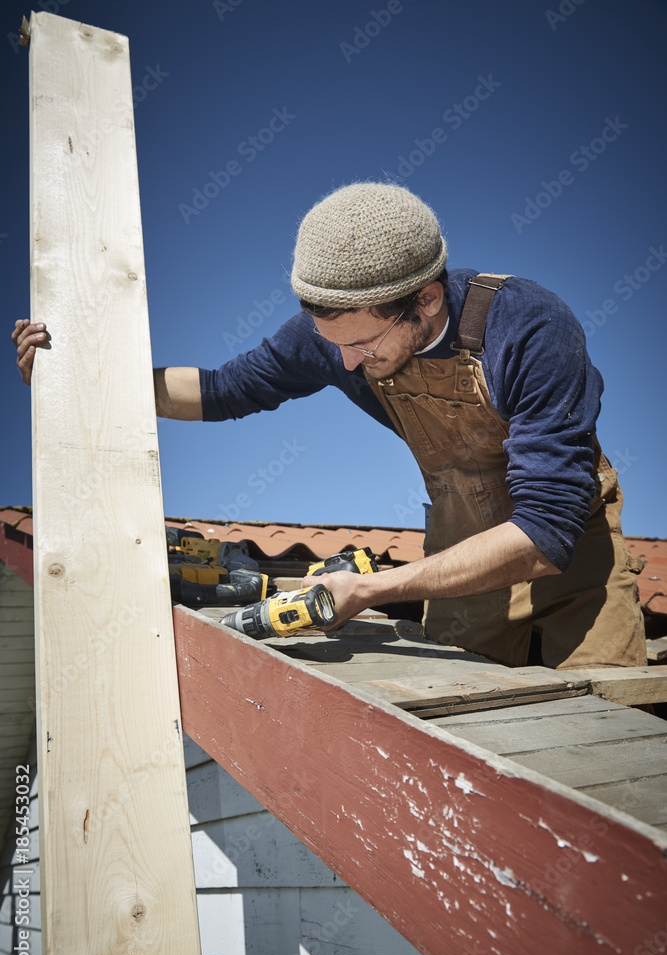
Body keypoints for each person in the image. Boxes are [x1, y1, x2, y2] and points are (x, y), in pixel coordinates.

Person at [12, 182, 646, 668]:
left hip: (571, 559)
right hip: (459, 560)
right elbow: (219, 390)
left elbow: (544, 533)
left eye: (366, 343)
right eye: (330, 342)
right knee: (462, 724)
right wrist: (80, 376)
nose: (345, 364)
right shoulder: (334, 338)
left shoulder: (530, 329)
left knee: (602, 737)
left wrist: (369, 590)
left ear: (425, 299)